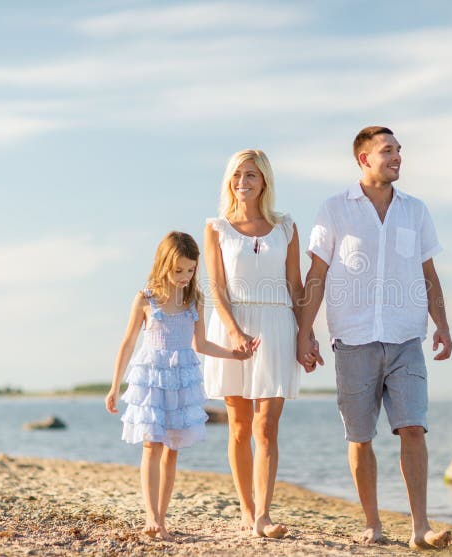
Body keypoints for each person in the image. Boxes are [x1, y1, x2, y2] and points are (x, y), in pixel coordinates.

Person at [296, 126, 452, 550]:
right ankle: (373, 523)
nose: (397, 156)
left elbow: (429, 276)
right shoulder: (333, 210)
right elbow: (316, 276)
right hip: (354, 339)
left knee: (414, 428)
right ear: (364, 159)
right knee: (360, 436)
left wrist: (442, 324)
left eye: (399, 150)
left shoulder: (415, 211)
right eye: (388, 151)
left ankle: (420, 528)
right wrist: (304, 331)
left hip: (406, 338)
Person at [203, 149, 319, 538]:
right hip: (232, 325)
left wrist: (307, 332)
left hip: (276, 323)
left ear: (264, 180)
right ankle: (247, 508)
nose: (243, 182)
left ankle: (263, 516)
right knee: (238, 425)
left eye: (251, 175)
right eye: (237, 175)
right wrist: (234, 332)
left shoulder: (286, 226)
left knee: (266, 426)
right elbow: (216, 288)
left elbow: (296, 284)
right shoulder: (217, 227)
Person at [105, 231, 252, 540]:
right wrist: (115, 385)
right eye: (178, 270)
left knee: (172, 449)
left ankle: (163, 519)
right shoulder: (145, 298)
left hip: (181, 380)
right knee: (152, 444)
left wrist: (234, 355)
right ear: (163, 265)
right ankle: (151, 517)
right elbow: (128, 343)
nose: (185, 276)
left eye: (190, 270)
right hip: (152, 378)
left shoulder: (193, 299)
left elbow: (200, 343)